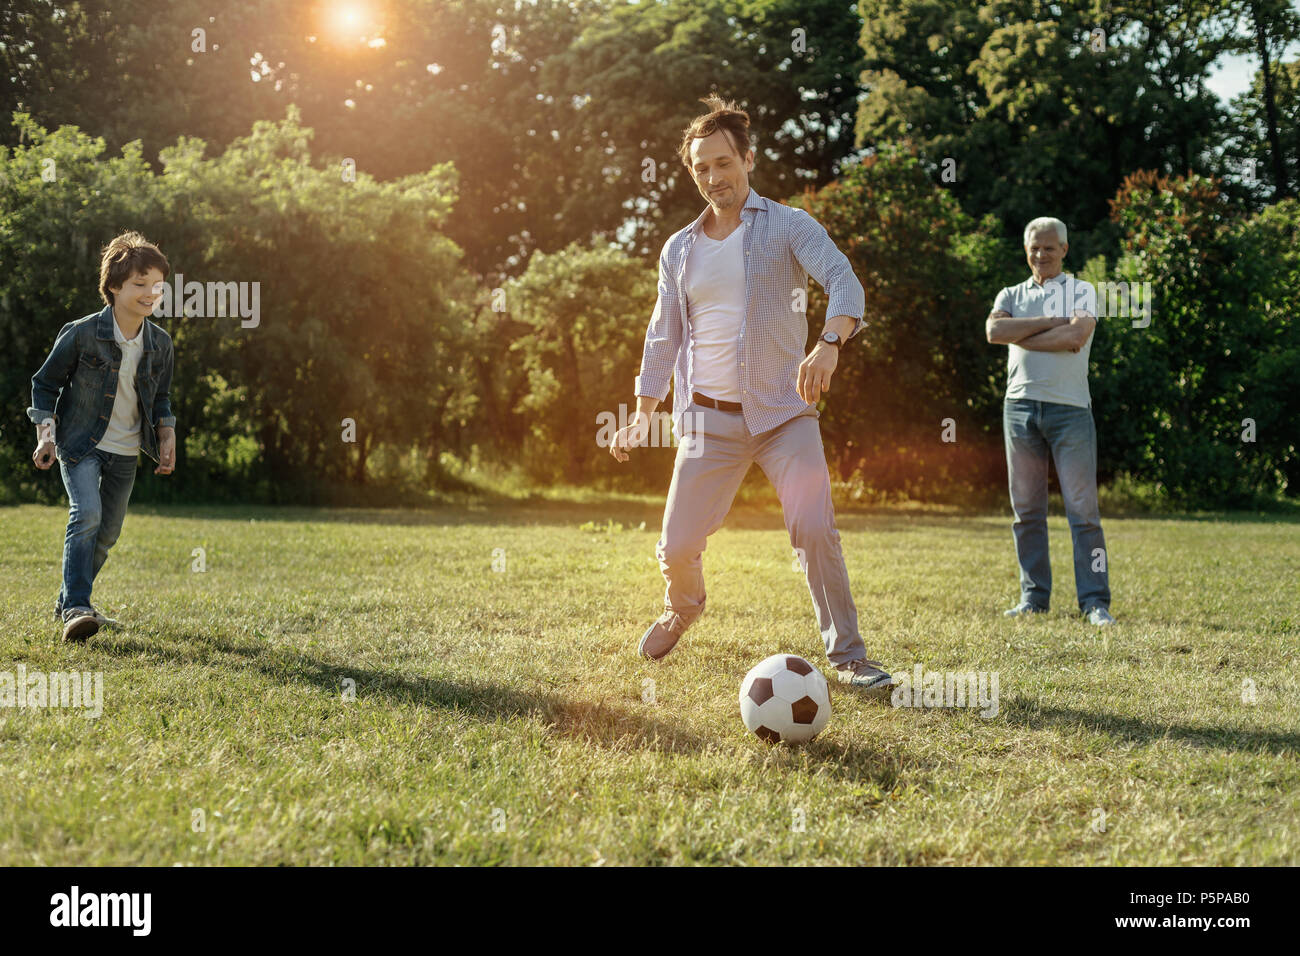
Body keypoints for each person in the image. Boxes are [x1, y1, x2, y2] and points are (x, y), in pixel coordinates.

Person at [610, 94, 895, 696]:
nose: (714, 179)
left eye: (724, 164)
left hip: (783, 413)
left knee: (814, 527)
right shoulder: (679, 249)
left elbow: (844, 281)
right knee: (678, 543)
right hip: (708, 419)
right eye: (702, 169)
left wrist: (829, 343)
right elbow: (663, 333)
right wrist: (643, 413)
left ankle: (847, 655)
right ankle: (684, 607)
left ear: (748, 159)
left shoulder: (789, 225)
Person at [29, 231, 178, 642]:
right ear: (114, 286)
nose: (151, 293)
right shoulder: (81, 333)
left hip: (126, 451)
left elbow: (162, 397)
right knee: (87, 515)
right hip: (79, 446)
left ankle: (70, 602)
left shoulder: (160, 344)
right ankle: (78, 606)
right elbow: (45, 385)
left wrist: (167, 436)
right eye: (140, 284)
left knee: (108, 532)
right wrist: (46, 434)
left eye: (158, 286)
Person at [986, 217, 1114, 626]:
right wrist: (1051, 321)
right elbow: (993, 330)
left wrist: (1020, 333)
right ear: (1026, 250)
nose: (1041, 254)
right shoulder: (1011, 292)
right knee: (1026, 510)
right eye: (1034, 248)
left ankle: (1095, 602)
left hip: (1070, 410)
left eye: (1049, 247)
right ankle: (1034, 598)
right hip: (1020, 409)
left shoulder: (1082, 291)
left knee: (1083, 511)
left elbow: (1075, 337)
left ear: (1064, 249)